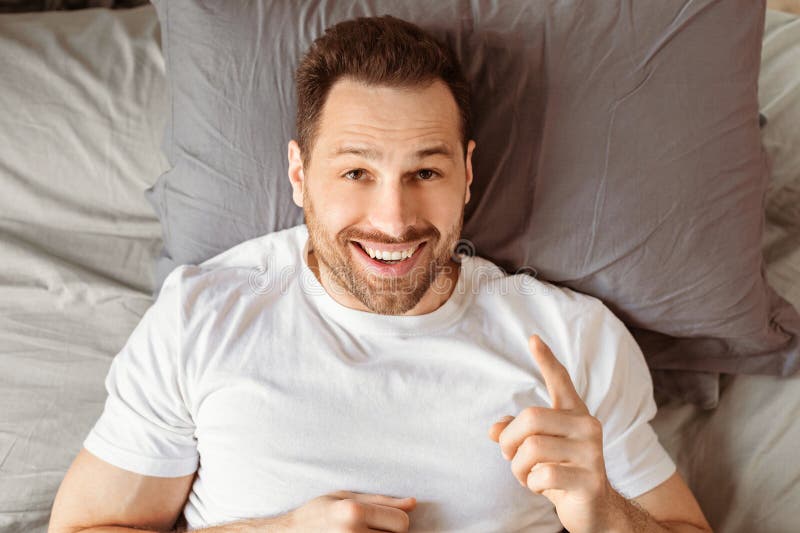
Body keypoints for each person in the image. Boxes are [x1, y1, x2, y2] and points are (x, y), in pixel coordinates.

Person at [49, 14, 712, 533]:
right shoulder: (202, 317)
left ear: (467, 173)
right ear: (299, 174)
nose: (394, 220)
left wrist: (601, 511)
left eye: (426, 171)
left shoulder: (568, 342)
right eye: (356, 172)